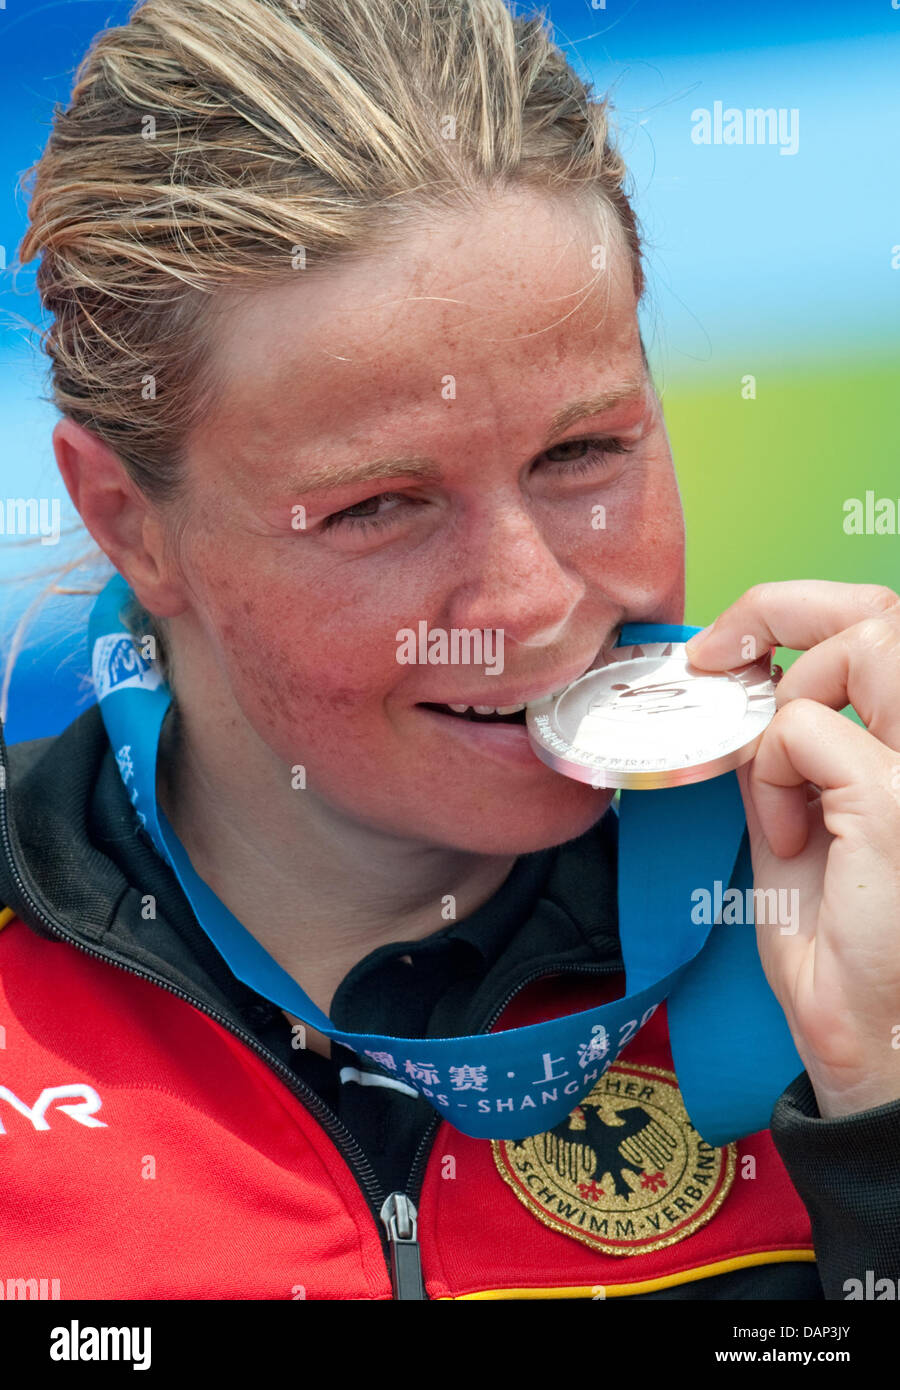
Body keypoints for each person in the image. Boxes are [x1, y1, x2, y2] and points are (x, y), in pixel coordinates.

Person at [1, 0, 898, 1302]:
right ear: (128, 521)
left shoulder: (851, 894)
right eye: (379, 506)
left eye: (584, 453)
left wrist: (883, 1106)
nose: (534, 600)